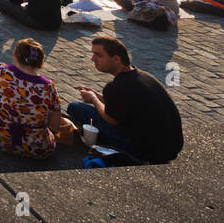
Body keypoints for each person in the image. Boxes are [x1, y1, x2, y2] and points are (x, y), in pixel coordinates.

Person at [65, 36, 183, 164]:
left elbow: (111, 118)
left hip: (145, 150)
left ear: (116, 59)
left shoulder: (116, 86)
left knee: (75, 107)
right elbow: (121, 104)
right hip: (172, 147)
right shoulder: (143, 76)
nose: (93, 59)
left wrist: (93, 99)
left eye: (98, 55)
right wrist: (97, 95)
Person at [0, 39, 62, 159]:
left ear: (15, 55)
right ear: (40, 62)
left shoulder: (1, 71)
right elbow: (55, 125)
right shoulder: (49, 87)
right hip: (35, 146)